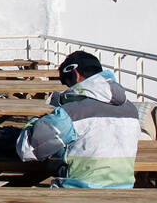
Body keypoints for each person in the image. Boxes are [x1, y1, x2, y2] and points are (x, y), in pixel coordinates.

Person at [15, 51, 140, 189]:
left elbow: (27, 149)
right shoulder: (131, 110)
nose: (68, 87)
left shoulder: (72, 113)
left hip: (78, 195)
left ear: (76, 74)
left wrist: (41, 120)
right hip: (124, 194)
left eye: (66, 81)